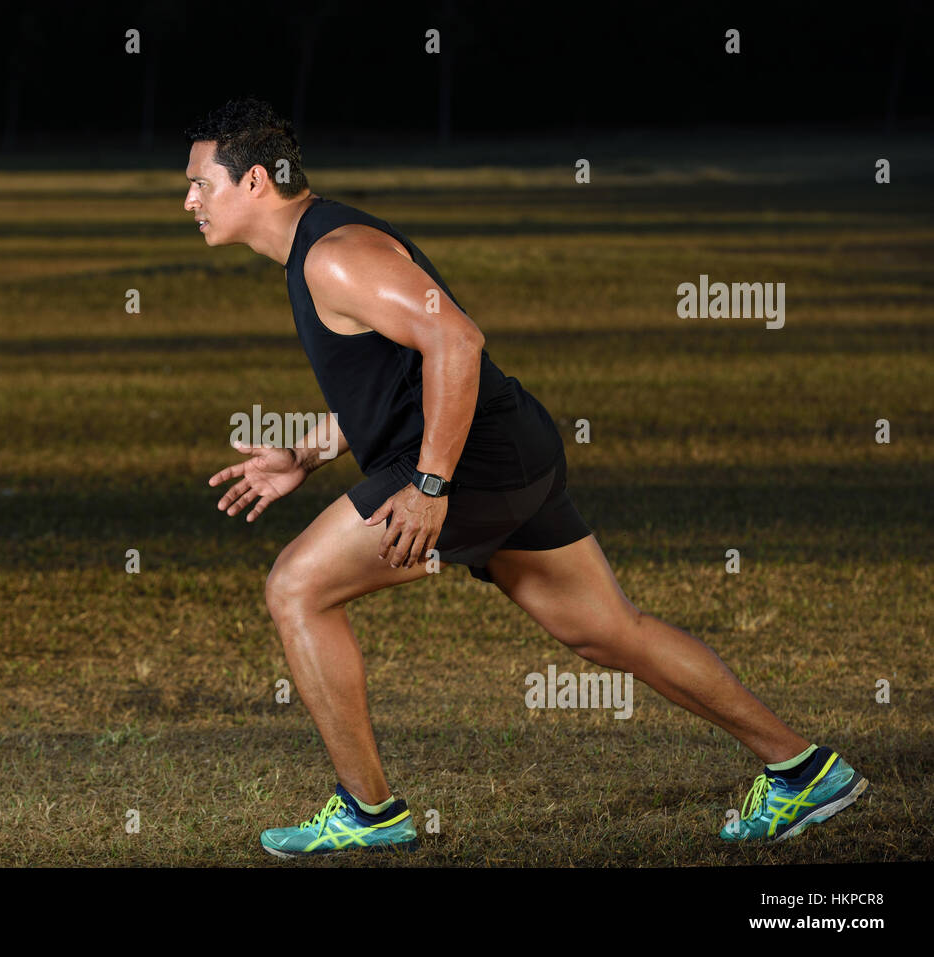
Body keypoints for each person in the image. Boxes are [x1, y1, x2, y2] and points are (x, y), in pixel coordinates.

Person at [186, 96, 867, 857]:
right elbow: (397, 382)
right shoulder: (316, 250)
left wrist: (431, 485)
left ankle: (368, 812)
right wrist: (305, 456)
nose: (188, 201)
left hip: (472, 463)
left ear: (254, 185)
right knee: (609, 630)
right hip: (509, 453)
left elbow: (458, 342)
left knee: (296, 587)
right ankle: (803, 769)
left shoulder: (334, 254)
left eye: (200, 185)